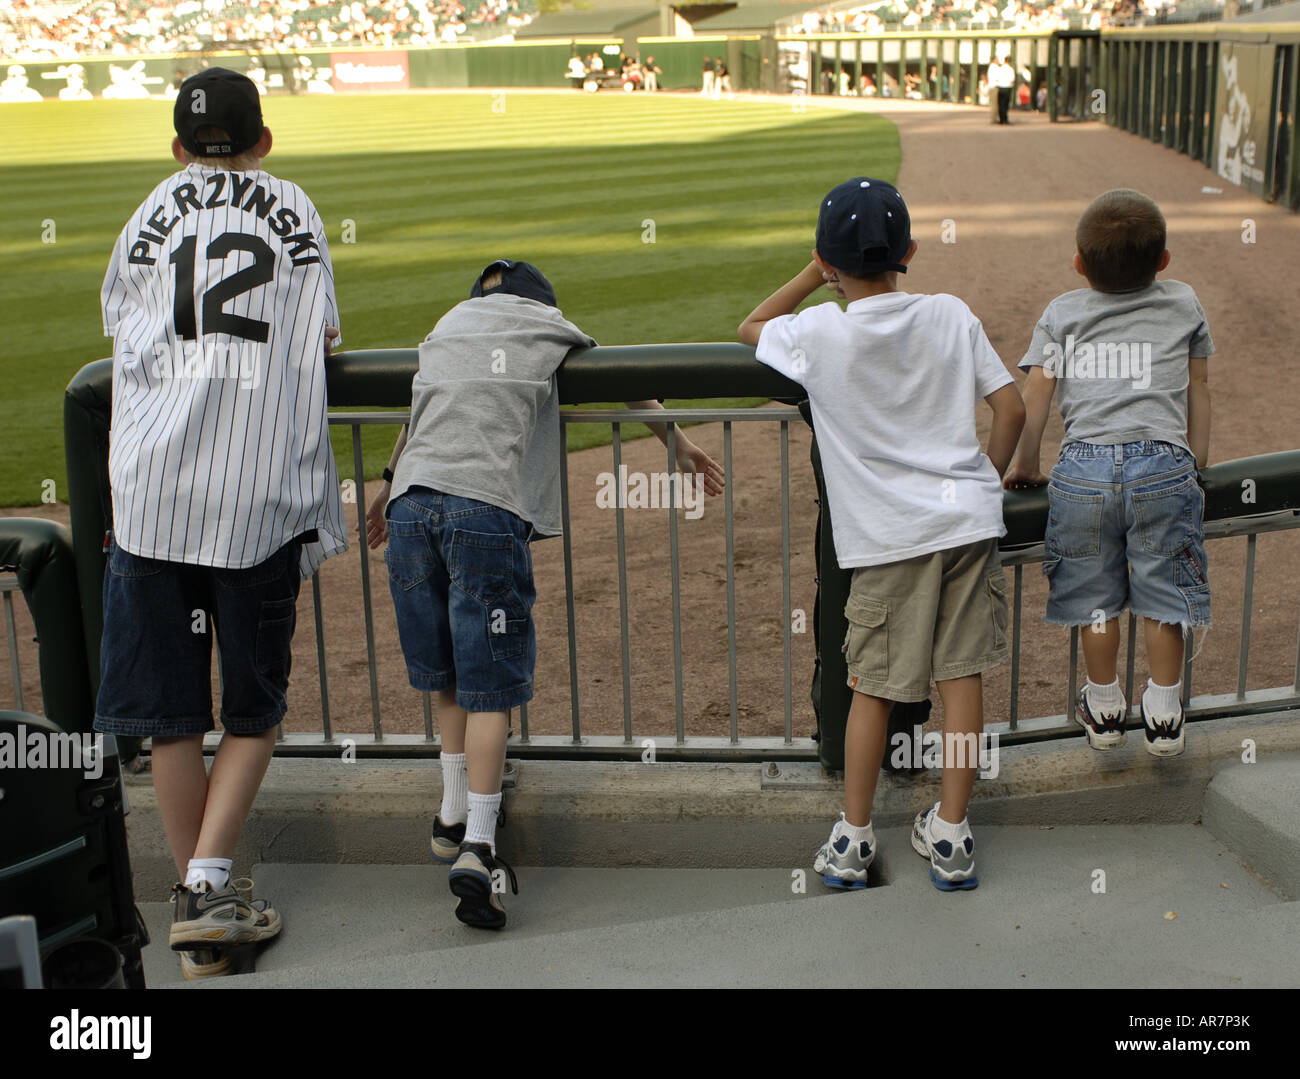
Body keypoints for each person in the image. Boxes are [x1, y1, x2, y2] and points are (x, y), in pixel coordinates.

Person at [365, 261, 724, 929]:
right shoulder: (547, 323)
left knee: (442, 672)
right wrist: (680, 446)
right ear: (540, 304)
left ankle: (449, 815)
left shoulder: (448, 324)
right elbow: (630, 387)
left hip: (413, 508)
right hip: (483, 511)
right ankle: (477, 844)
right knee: (490, 689)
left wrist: (387, 484)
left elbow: (418, 414)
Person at [96, 68, 346, 978]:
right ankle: (210, 889)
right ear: (264, 141)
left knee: (169, 718)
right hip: (256, 500)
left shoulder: (149, 212)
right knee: (251, 711)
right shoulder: (295, 206)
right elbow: (320, 334)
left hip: (152, 494)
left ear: (176, 150)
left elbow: (122, 324)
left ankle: (197, 896)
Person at [738, 178, 1025, 891]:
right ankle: (952, 834)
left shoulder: (818, 331)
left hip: (888, 539)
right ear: (912, 253)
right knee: (962, 681)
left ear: (830, 263)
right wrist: (982, 482)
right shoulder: (950, 311)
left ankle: (854, 838)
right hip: (965, 527)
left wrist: (815, 272)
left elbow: (751, 328)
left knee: (871, 685)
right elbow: (1011, 407)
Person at [1004, 189, 1213, 759]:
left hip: (1084, 469)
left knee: (1097, 598)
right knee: (1164, 594)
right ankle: (1164, 713)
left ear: (1078, 263)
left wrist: (1026, 465)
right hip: (1164, 464)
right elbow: (1199, 387)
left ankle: (1104, 709)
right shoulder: (1184, 301)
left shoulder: (1063, 310)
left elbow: (1037, 392)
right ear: (1163, 261)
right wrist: (1195, 459)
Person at [988, 53, 1015, 124]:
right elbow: (1012, 79)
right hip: (1007, 87)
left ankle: (1001, 119)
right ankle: (1004, 119)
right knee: (1005, 104)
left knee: (1000, 104)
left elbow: (997, 77)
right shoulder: (1010, 69)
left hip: (1000, 87)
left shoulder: (1000, 68)